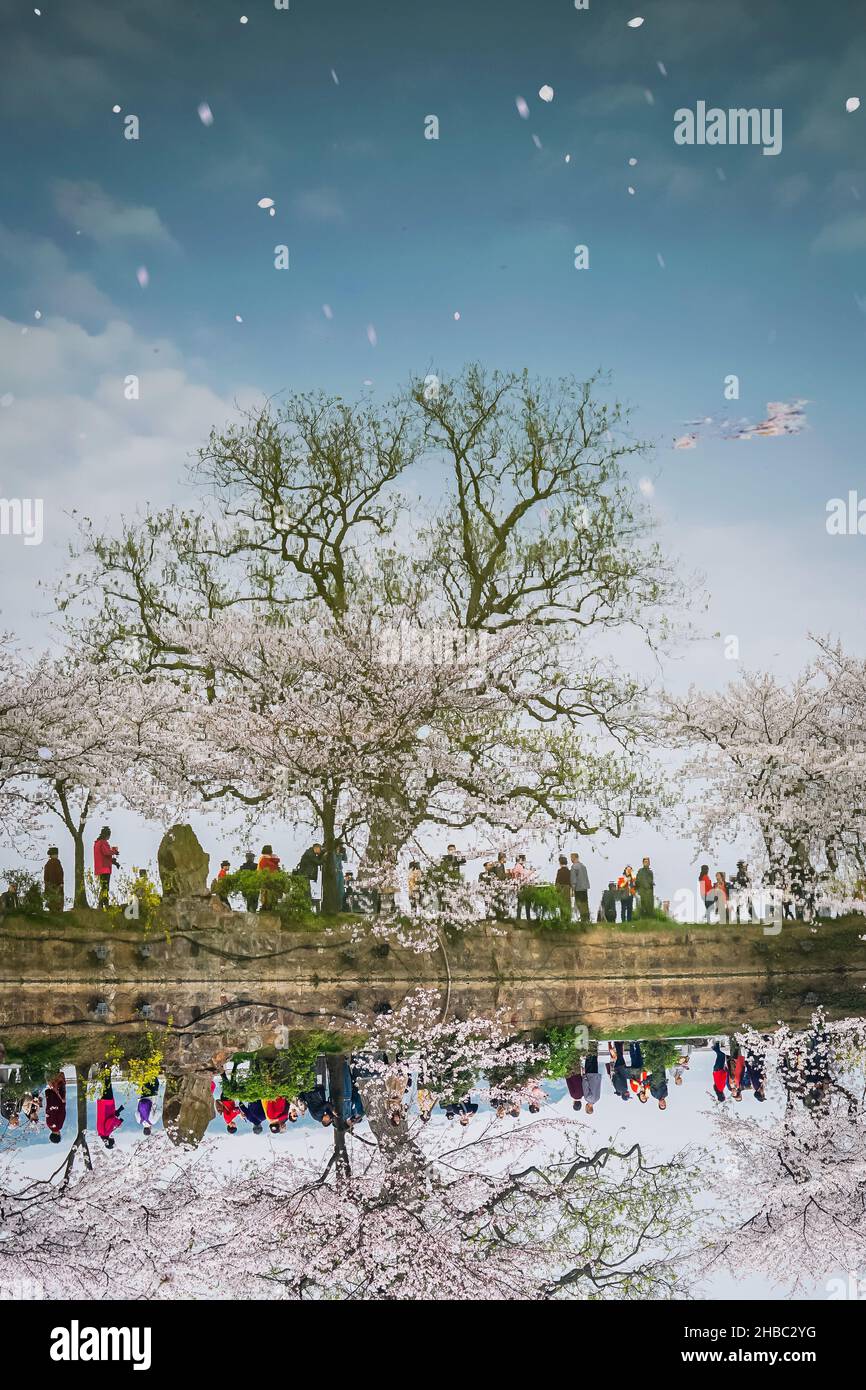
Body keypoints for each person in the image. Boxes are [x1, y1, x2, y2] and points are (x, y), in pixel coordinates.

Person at [93, 827, 119, 909]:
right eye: (109, 835)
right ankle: (102, 904)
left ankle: (104, 903)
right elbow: (106, 852)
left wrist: (114, 862)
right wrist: (114, 851)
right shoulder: (103, 843)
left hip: (100, 868)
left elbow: (104, 856)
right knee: (105, 887)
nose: (109, 837)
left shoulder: (97, 843)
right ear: (106, 835)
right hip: (105, 868)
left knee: (104, 886)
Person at [97, 1076, 124, 1146]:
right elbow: (106, 1118)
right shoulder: (100, 1132)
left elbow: (111, 1120)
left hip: (107, 1105)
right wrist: (117, 1113)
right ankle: (103, 1069)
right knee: (106, 1085)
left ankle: (107, 1068)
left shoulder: (106, 1133)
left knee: (108, 1084)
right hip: (102, 1105)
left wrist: (118, 1123)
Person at [296, 842, 323, 912]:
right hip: (304, 875)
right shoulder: (310, 854)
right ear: (316, 848)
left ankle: (306, 908)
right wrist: (325, 857)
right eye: (320, 849)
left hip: (304, 875)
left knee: (307, 892)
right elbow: (318, 862)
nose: (320, 851)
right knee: (306, 892)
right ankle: (306, 909)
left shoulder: (309, 853)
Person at [44, 1071, 66, 1142]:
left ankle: (56, 1068)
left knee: (60, 1083)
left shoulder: (58, 1126)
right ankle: (52, 1069)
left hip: (59, 1101)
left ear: (58, 1135)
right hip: (51, 1099)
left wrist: (63, 1102)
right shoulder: (48, 1125)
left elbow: (62, 1114)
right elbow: (47, 1111)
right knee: (53, 1083)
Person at [510, 854, 533, 921]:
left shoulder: (518, 866)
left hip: (521, 886)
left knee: (521, 902)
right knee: (525, 901)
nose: (525, 861)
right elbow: (523, 876)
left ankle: (519, 917)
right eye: (524, 859)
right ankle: (526, 917)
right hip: (522, 886)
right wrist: (531, 872)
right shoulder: (519, 866)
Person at [569, 852, 590, 923]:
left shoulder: (574, 867)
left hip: (578, 888)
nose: (571, 859)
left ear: (574, 858)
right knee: (585, 903)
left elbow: (573, 879)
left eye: (571, 858)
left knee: (579, 903)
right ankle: (587, 918)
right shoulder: (583, 866)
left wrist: (572, 888)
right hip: (584, 887)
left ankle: (583, 918)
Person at [43, 847, 64, 912]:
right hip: (57, 885)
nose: (57, 855)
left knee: (52, 901)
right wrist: (61, 883)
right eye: (56, 854)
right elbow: (59, 873)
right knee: (58, 902)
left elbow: (45, 877)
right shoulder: (56, 863)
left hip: (50, 886)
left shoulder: (47, 864)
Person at [554, 855, 572, 924]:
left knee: (562, 904)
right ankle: (568, 919)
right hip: (567, 889)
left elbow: (557, 881)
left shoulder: (559, 871)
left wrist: (556, 890)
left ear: (560, 863)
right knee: (567, 904)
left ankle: (563, 920)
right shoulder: (569, 871)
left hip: (561, 889)